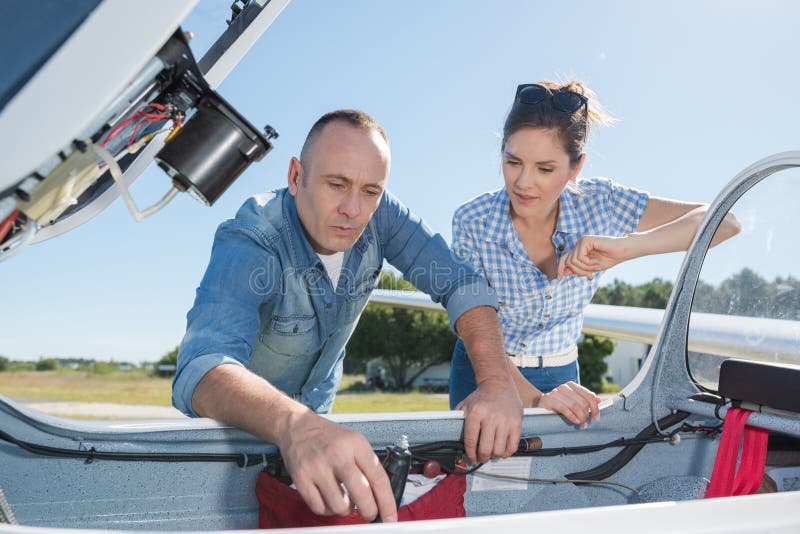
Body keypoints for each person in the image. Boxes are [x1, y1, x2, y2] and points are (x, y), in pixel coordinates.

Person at [172, 110, 523, 523]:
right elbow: (201, 369)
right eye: (336, 184)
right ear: (295, 175)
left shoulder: (380, 212)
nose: (354, 209)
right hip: (233, 450)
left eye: (370, 190)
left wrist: (497, 382)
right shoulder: (252, 240)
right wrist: (296, 427)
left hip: (322, 437)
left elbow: (461, 283)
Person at [449, 80, 740, 425]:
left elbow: (726, 222)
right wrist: (537, 399)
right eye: (513, 162)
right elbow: (473, 327)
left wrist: (627, 248)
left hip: (562, 377)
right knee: (481, 478)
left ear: (576, 168)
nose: (523, 182)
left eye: (545, 169)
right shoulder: (472, 221)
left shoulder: (601, 202)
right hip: (485, 372)